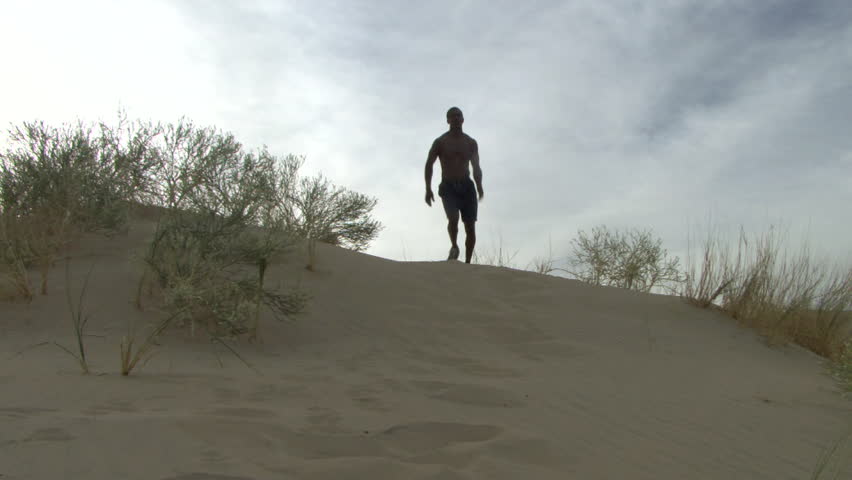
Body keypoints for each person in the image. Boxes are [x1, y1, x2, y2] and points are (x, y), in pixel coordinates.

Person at [424, 106, 484, 263]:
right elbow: (429, 164)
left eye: (458, 116)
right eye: (452, 116)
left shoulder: (471, 143)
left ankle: (468, 262)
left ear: (463, 119)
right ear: (448, 120)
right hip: (448, 187)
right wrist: (428, 188)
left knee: (470, 227)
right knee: (453, 218)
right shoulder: (440, 142)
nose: (456, 118)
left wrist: (479, 186)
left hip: (467, 187)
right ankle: (454, 246)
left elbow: (476, 166)